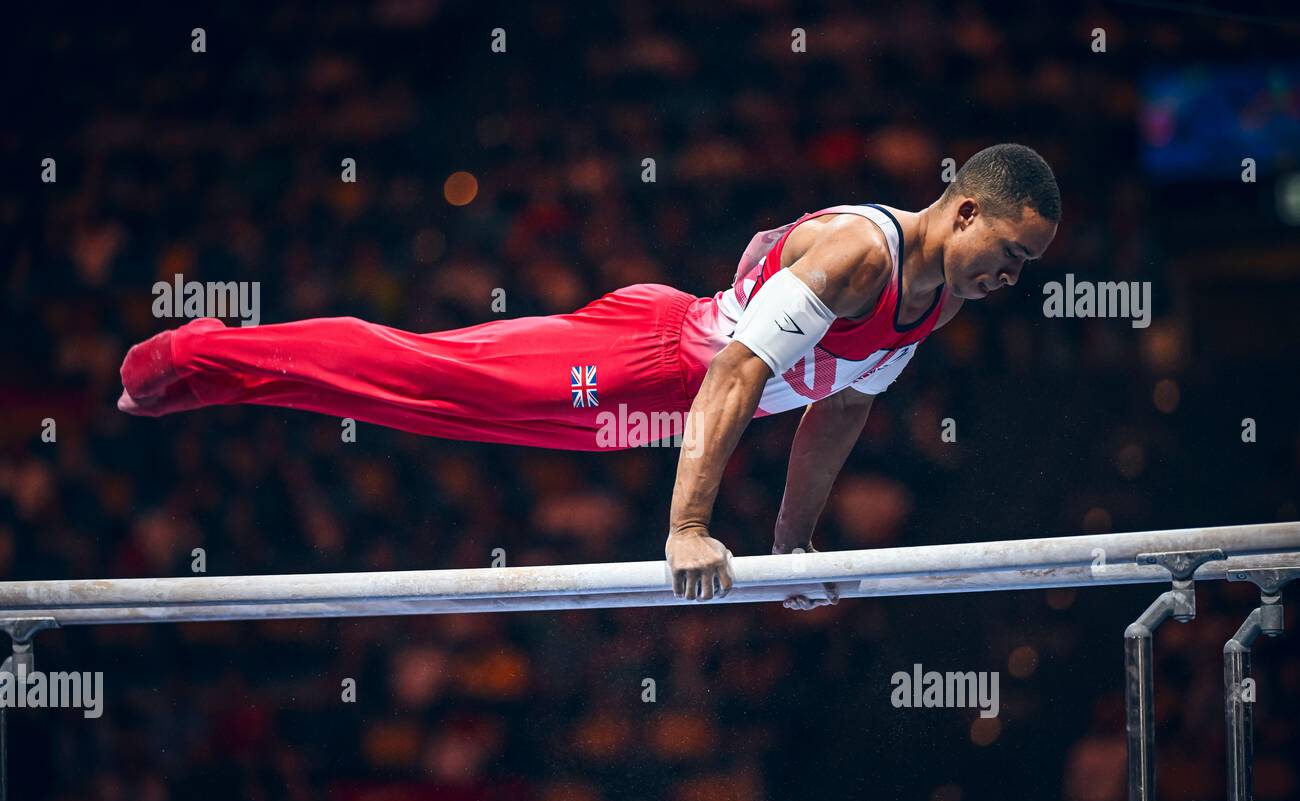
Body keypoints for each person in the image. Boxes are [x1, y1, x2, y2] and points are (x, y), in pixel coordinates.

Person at [119, 144, 1059, 607]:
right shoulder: (860, 254)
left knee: (427, 411)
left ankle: (213, 375)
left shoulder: (942, 302)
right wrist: (687, 528)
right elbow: (736, 373)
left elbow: (841, 408)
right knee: (421, 374)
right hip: (641, 361)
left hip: (657, 415)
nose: (1011, 279)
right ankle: (192, 353)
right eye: (1011, 254)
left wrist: (793, 548)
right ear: (965, 212)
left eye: (1027, 269)